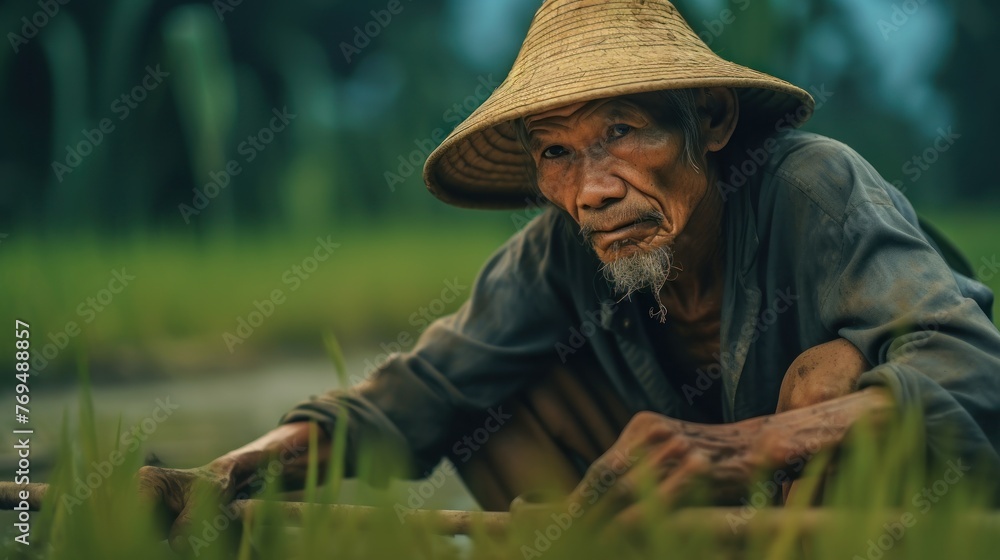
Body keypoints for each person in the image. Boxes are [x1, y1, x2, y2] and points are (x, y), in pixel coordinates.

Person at [139, 0, 1000, 547]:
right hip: (701, 528)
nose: (590, 190)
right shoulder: (561, 251)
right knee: (495, 391)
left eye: (624, 131)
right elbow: (409, 396)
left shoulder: (812, 186)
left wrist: (738, 447)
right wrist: (221, 475)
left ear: (711, 119)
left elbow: (971, 370)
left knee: (826, 379)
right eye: (557, 152)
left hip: (883, 509)